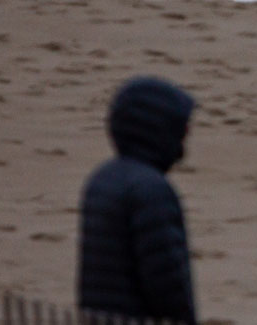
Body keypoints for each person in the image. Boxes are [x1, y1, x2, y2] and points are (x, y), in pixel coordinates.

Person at [78, 76, 197, 325]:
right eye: (181, 129)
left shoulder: (102, 178)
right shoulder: (151, 190)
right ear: (158, 131)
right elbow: (166, 279)